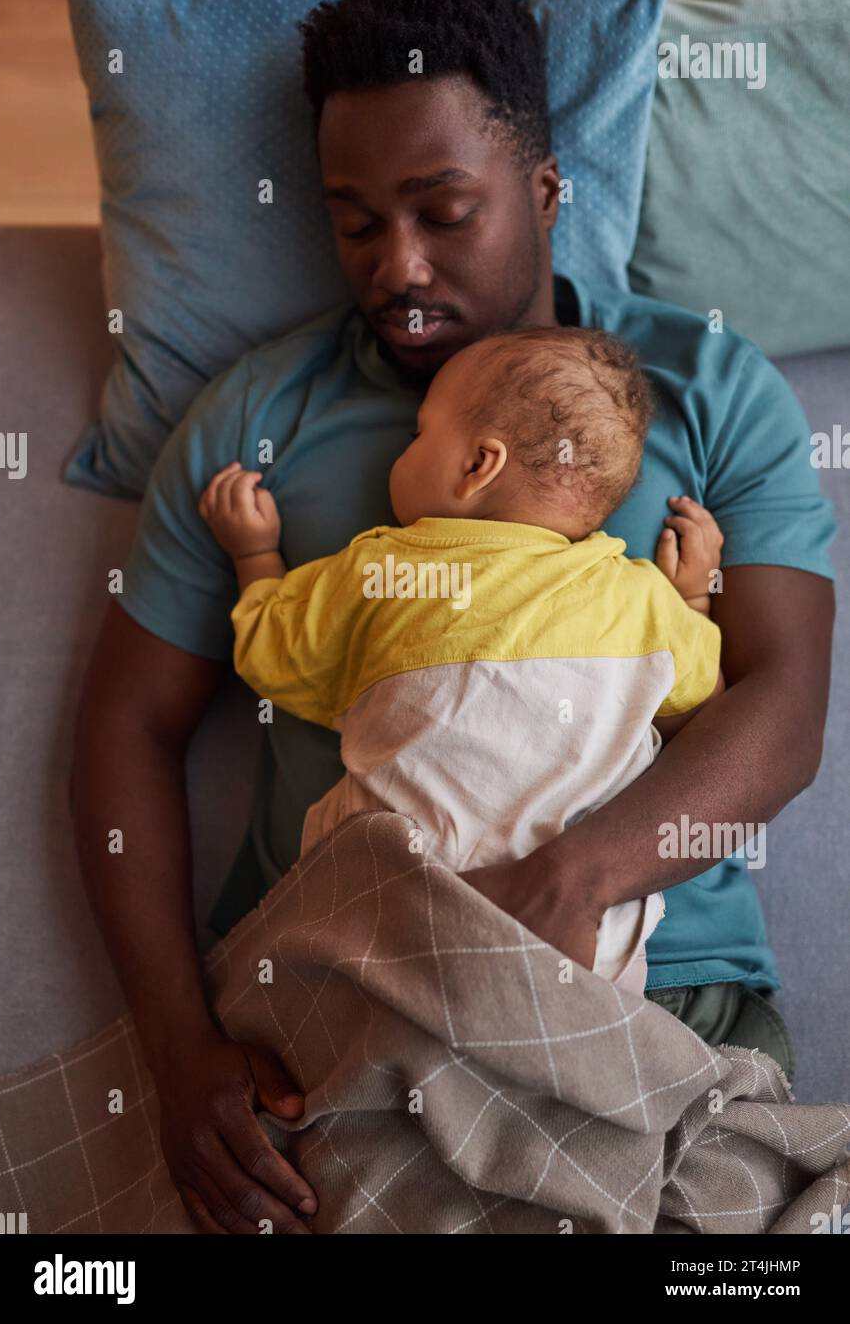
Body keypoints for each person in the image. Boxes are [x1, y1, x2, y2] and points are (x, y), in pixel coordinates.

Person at [69, 0, 834, 1235]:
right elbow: (125, 730)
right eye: (356, 222)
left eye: (441, 210)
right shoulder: (257, 417)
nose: (398, 266)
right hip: (348, 1006)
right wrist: (177, 1047)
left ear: (541, 192)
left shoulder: (702, 388)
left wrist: (576, 879)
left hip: (659, 993)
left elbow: (782, 700)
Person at [199, 324, 726, 998]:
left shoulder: (382, 572)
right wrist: (692, 595)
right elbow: (700, 709)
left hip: (385, 929)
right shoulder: (640, 601)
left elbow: (270, 651)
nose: (404, 447)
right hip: (581, 955)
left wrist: (253, 553)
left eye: (419, 434)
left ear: (479, 465)